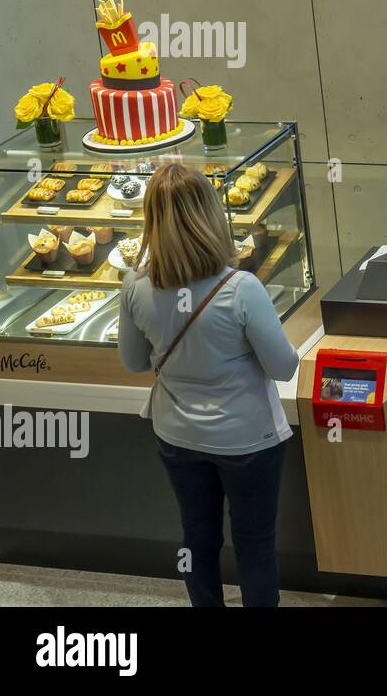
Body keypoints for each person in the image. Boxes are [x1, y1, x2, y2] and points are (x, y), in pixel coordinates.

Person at [118, 163, 299, 607]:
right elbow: (284, 367)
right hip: (246, 439)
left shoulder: (135, 286)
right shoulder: (241, 288)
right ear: (210, 215)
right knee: (254, 542)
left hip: (177, 434)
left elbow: (133, 362)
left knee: (197, 537)